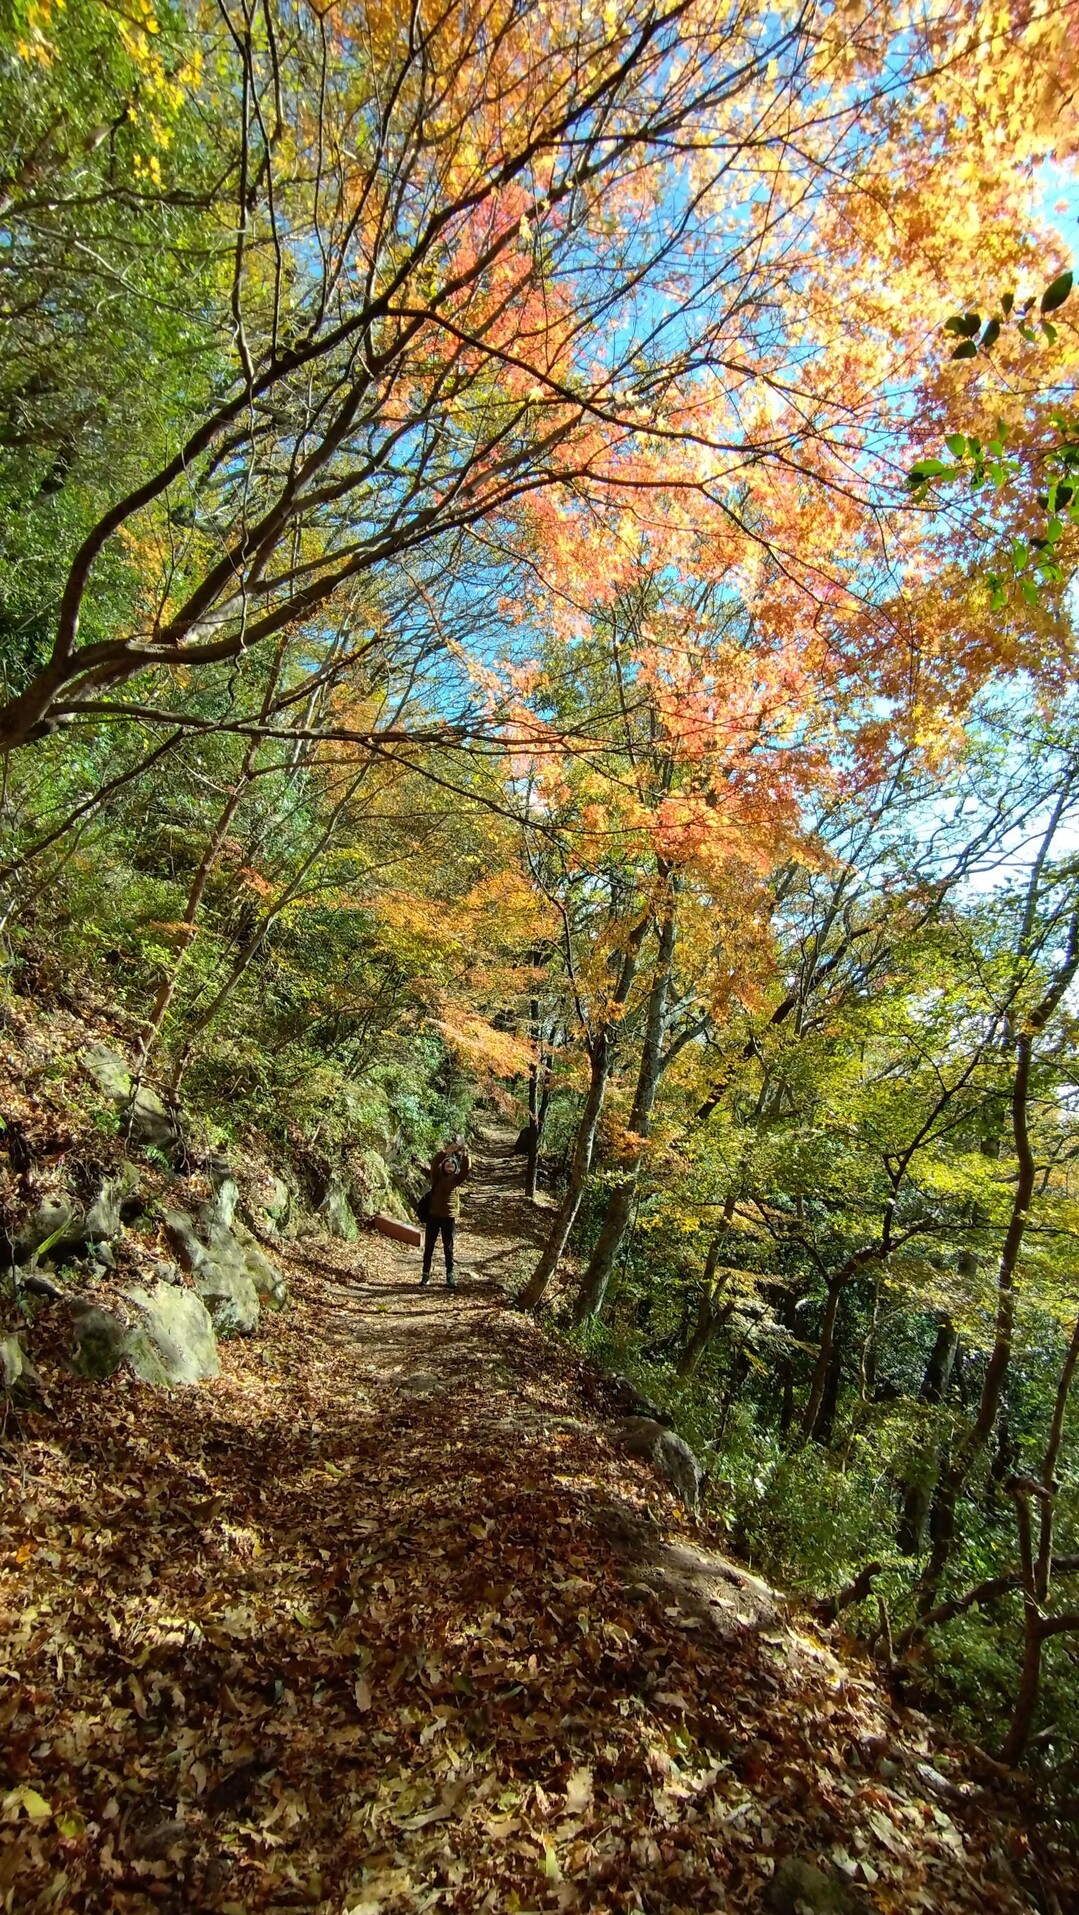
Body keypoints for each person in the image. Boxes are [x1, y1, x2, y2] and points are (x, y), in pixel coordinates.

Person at [420, 1137, 471, 1289]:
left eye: (452, 1164)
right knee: (428, 1247)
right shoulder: (436, 1177)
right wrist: (446, 1152)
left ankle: (450, 1277)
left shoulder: (457, 1179)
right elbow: (434, 1163)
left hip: (449, 1218)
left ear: (455, 1168)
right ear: (443, 1167)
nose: (449, 1165)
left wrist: (465, 1152)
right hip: (433, 1216)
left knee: (448, 1248)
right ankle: (425, 1276)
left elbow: (467, 1168)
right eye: (447, 1163)